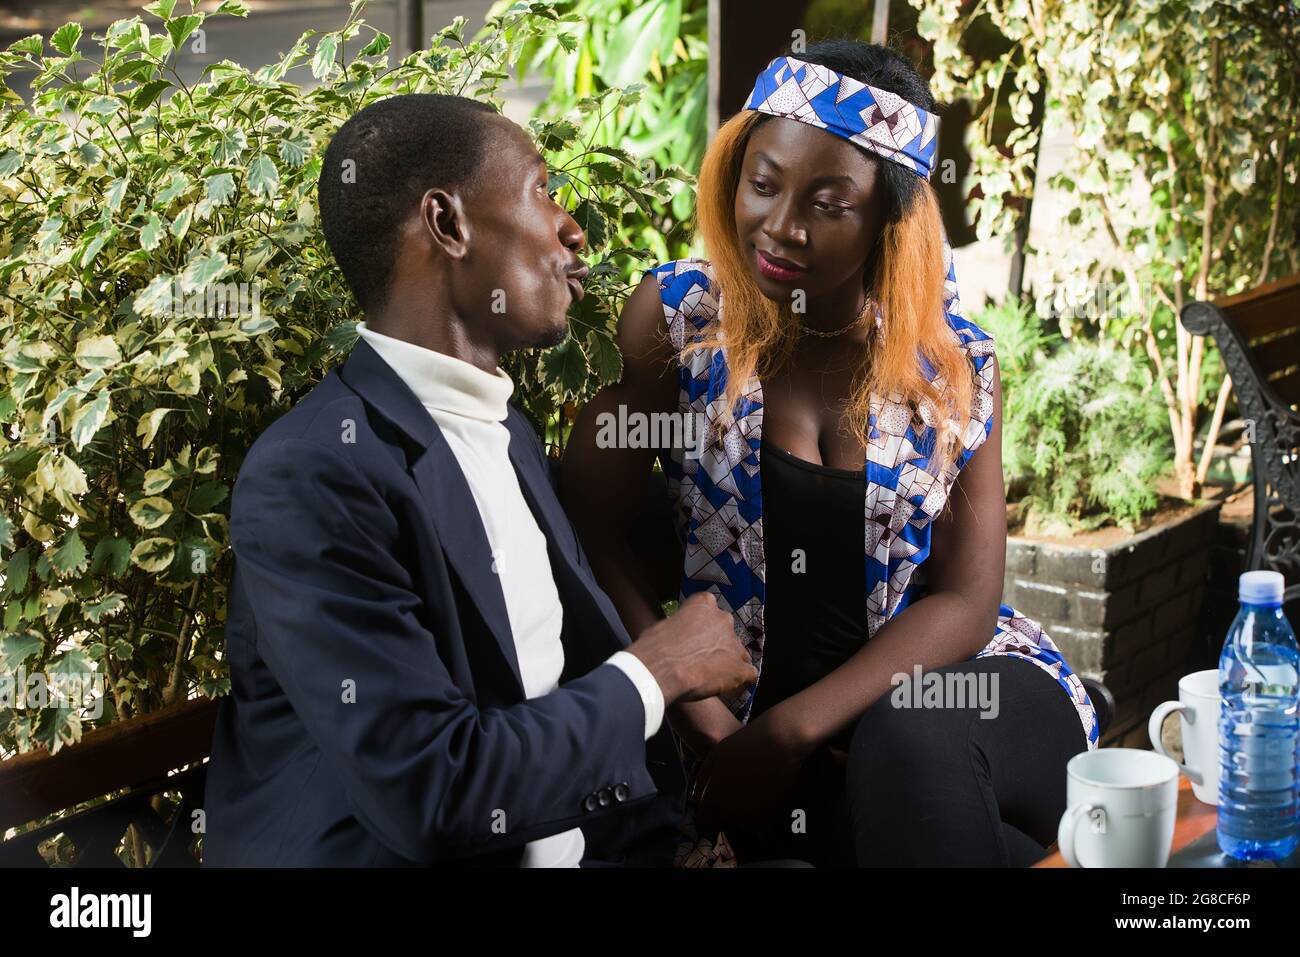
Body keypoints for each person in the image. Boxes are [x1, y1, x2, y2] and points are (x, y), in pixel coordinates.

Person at [560, 39, 1099, 868]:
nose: (780, 226)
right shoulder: (677, 321)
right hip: (748, 725)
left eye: (828, 202)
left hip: (955, 695)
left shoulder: (956, 365)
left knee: (906, 740)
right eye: (763, 183)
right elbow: (589, 534)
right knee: (906, 833)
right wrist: (706, 726)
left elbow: (967, 597)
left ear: (890, 217)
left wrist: (786, 732)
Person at [203, 93, 756, 867]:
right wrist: (659, 668)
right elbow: (435, 788)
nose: (572, 229)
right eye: (541, 188)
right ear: (448, 222)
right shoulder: (315, 473)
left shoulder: (506, 431)